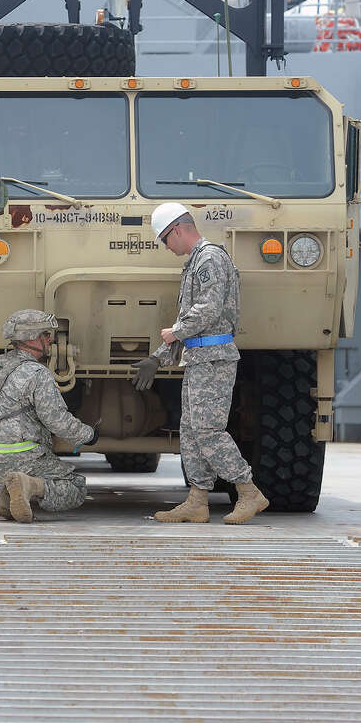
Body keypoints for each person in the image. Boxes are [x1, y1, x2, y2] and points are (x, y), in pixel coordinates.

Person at [134, 202, 269, 525]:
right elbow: (190, 320)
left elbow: (206, 310)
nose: (167, 248)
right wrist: (158, 357)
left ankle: (249, 492)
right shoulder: (196, 262)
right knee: (191, 432)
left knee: (208, 431)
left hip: (213, 359)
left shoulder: (209, 259)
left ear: (178, 229)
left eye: (166, 240)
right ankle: (197, 500)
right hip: (198, 358)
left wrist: (173, 333)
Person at [0, 309, 96, 522]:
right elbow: (57, 421)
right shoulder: (38, 373)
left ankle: (6, 498)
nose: (50, 339)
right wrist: (88, 435)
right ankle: (28, 485)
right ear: (32, 338)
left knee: (20, 469)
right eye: (45, 334)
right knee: (75, 486)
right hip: (17, 456)